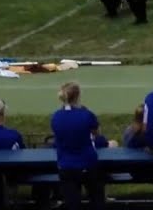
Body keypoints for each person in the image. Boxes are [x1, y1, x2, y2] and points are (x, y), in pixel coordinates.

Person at [51, 81, 104, 210]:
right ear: (78, 96)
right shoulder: (86, 115)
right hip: (87, 163)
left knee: (72, 202)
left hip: (65, 165)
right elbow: (97, 133)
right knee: (96, 199)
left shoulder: (56, 116)